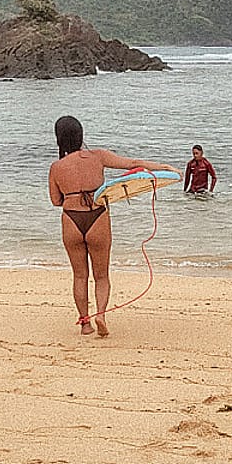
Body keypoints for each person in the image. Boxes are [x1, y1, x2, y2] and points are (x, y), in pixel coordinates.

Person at [48, 116, 178, 337]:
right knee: (102, 275)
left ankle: (85, 324)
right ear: (81, 134)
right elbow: (132, 163)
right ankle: (101, 314)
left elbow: (55, 201)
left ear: (58, 138)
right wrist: (162, 167)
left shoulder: (56, 167)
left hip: (71, 219)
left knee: (80, 275)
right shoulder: (98, 156)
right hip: (97, 216)